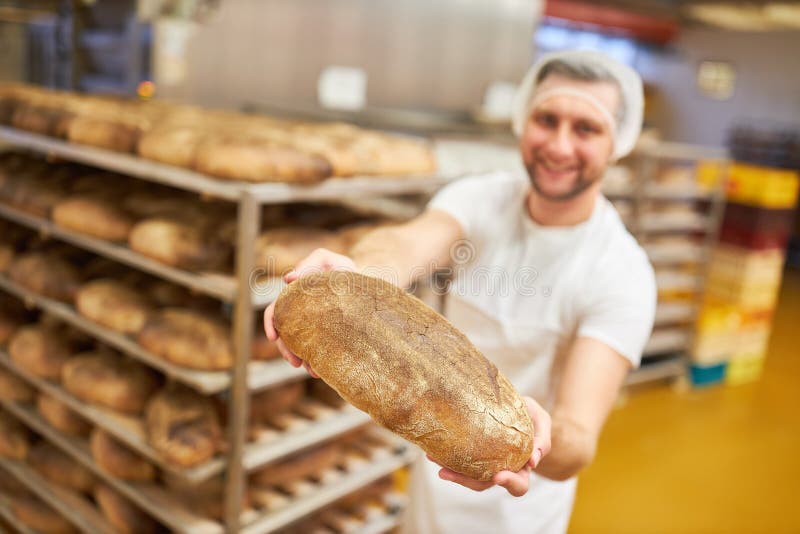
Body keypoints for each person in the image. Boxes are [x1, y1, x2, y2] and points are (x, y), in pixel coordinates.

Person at [264, 49, 656, 534]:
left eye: (586, 129)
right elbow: (405, 243)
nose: (558, 145)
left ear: (618, 142)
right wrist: (356, 275)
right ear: (522, 121)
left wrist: (534, 441)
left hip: (522, 510)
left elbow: (578, 438)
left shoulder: (620, 272)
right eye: (546, 119)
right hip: (436, 471)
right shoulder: (483, 198)